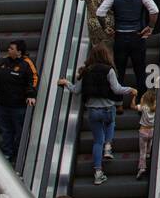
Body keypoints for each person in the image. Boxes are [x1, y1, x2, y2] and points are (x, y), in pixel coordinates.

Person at [58, 43, 136, 184]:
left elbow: (76, 90)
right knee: (111, 123)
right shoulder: (109, 70)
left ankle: (98, 173)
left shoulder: (85, 71)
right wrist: (130, 89)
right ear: (106, 55)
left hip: (93, 110)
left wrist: (65, 83)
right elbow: (117, 89)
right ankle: (108, 147)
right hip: (108, 107)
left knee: (97, 141)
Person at [95, 0, 158, 93]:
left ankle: (119, 102)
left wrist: (106, 28)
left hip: (120, 37)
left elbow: (100, 13)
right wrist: (150, 27)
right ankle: (140, 100)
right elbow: (154, 11)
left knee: (119, 70)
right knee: (140, 69)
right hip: (137, 37)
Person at [0, 39, 38, 163]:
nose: (8, 50)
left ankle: (20, 154)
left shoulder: (26, 64)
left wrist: (31, 94)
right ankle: (8, 152)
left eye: (11, 48)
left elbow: (33, 79)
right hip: (2, 105)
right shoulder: (3, 62)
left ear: (19, 52)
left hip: (18, 106)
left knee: (19, 131)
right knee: (5, 130)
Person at [134, 87, 157, 181]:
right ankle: (149, 152)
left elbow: (133, 106)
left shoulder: (144, 107)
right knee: (150, 142)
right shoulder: (156, 108)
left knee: (142, 152)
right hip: (152, 130)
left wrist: (135, 98)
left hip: (143, 131)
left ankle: (142, 168)